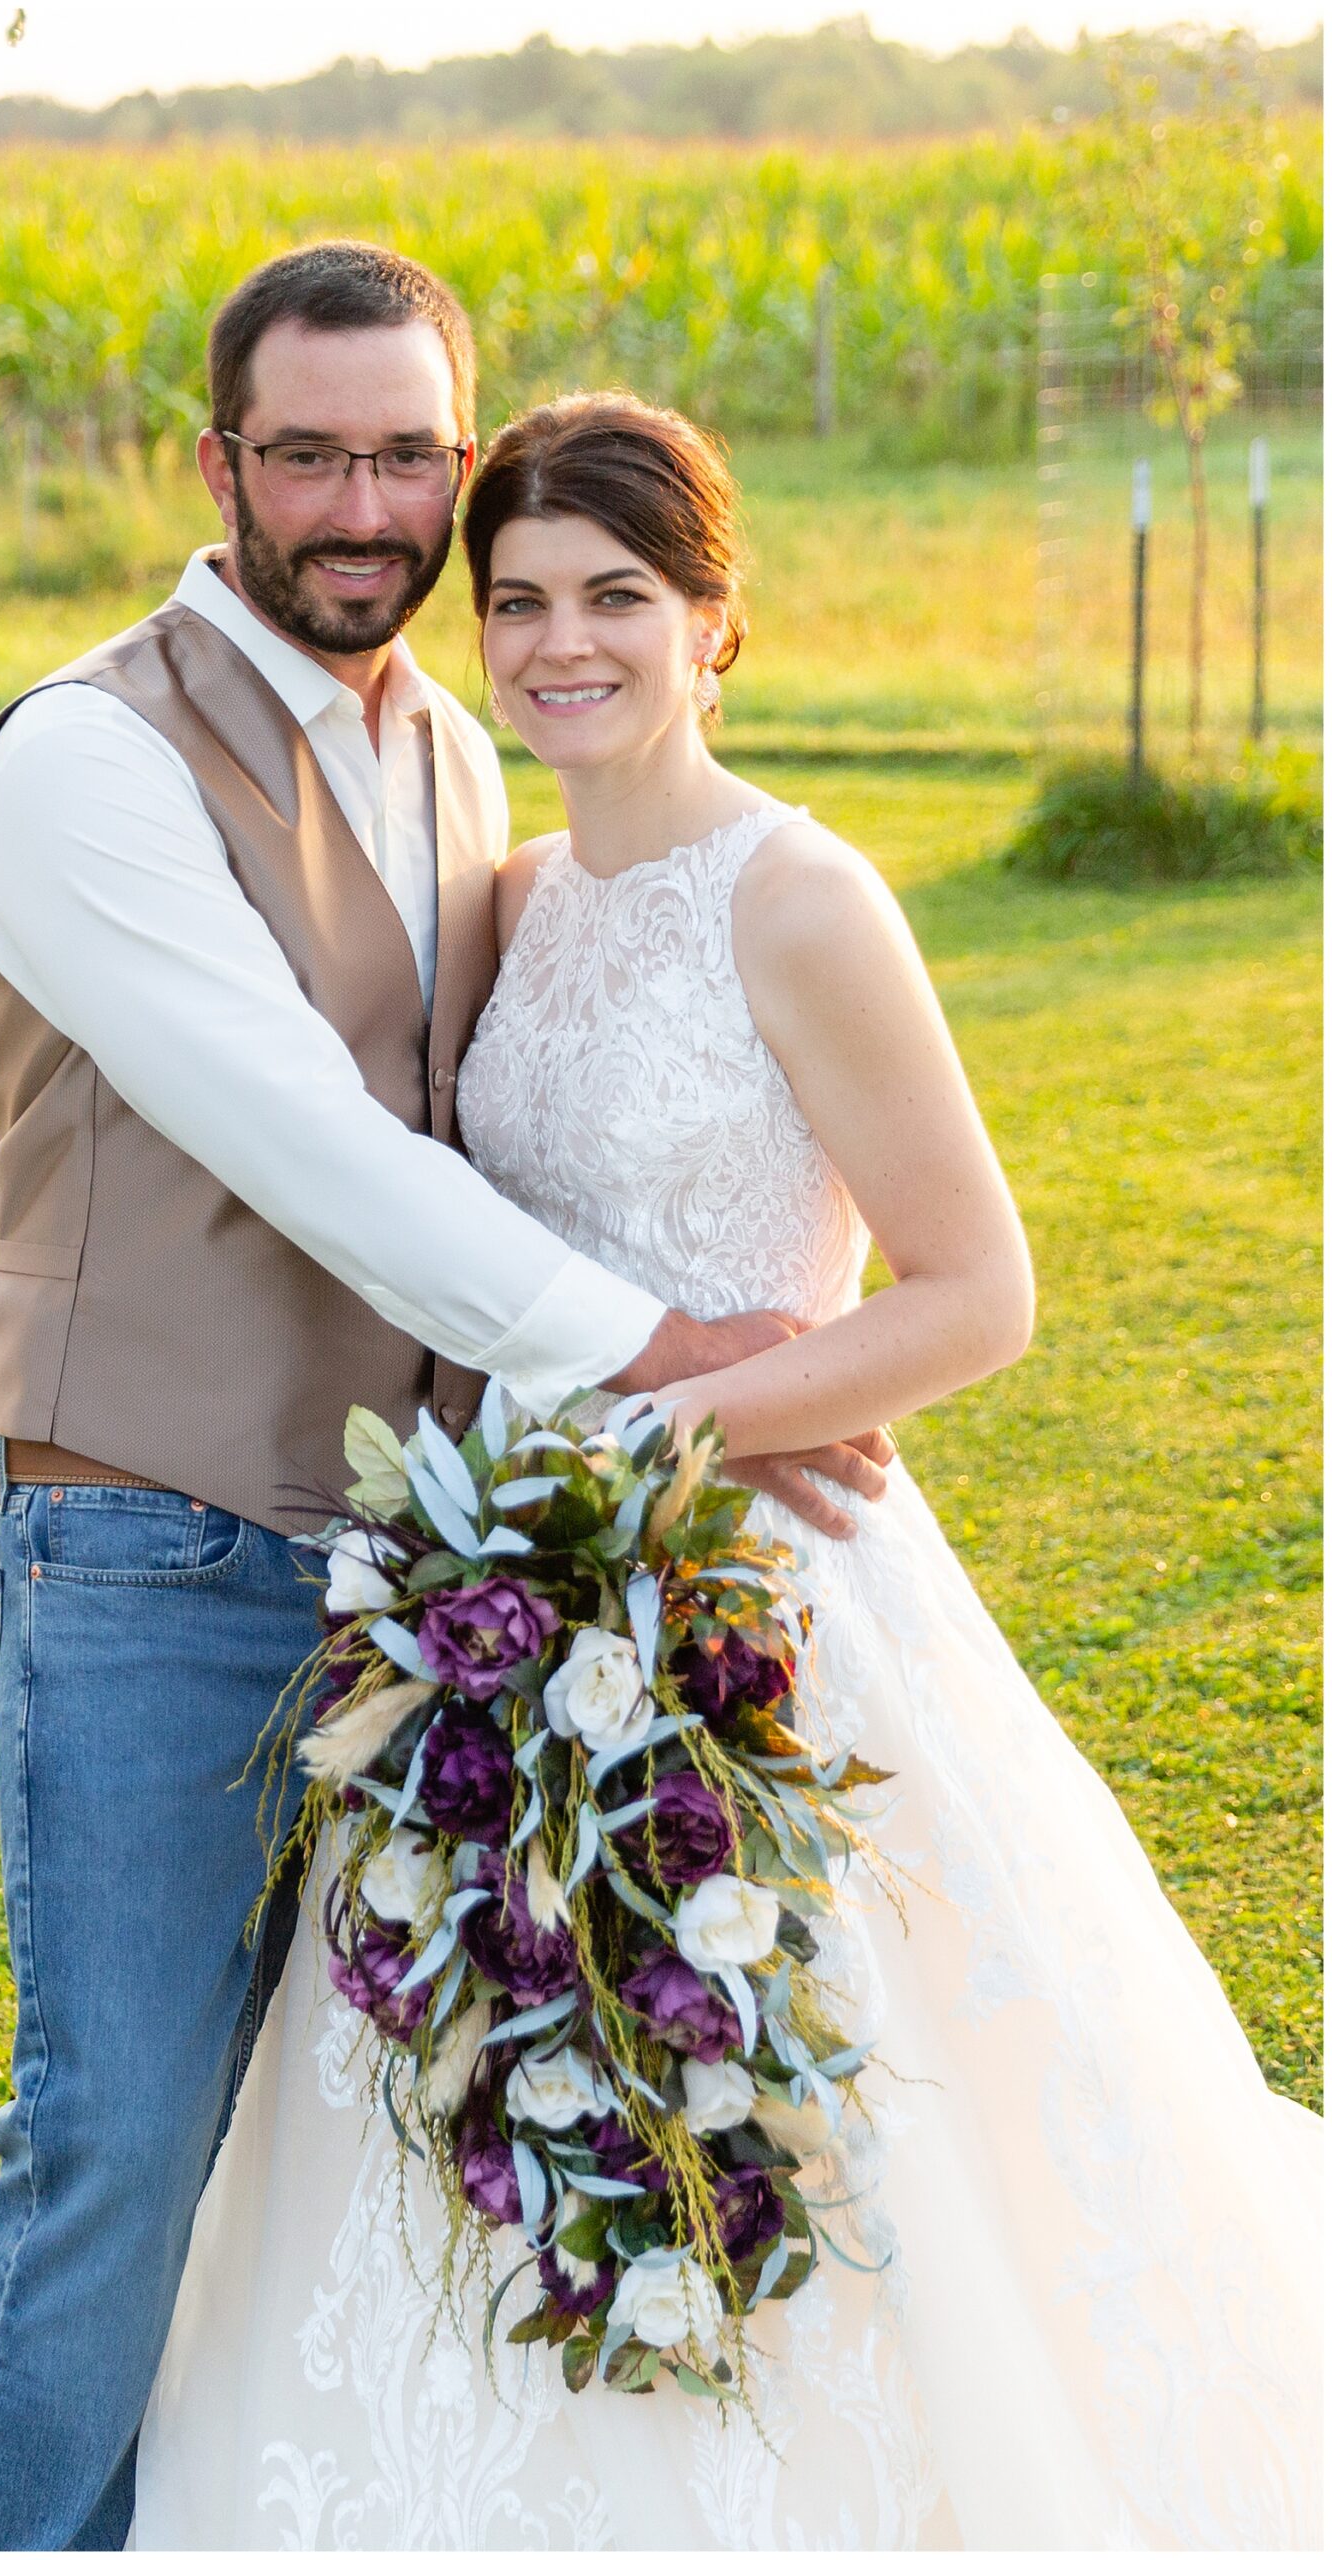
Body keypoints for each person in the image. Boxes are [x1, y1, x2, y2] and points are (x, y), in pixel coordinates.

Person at [129, 395, 1323, 2551]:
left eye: (616, 597)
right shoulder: (507, 892)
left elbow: (974, 1289)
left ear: (714, 622)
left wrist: (660, 1428)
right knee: (495, 2072)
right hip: (506, 1599)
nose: (560, 642)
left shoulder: (803, 896)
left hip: (757, 1586)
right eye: (518, 603)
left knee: (776, 2076)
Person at [0, 252, 891, 2554]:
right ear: (218, 465)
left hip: (437, 1563)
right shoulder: (84, 751)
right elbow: (312, 1142)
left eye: (406, 455)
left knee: (328, 2139)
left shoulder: (455, 742)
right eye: (311, 451)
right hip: (159, 1536)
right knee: (125, 2125)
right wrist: (667, 1353)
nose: (363, 504)